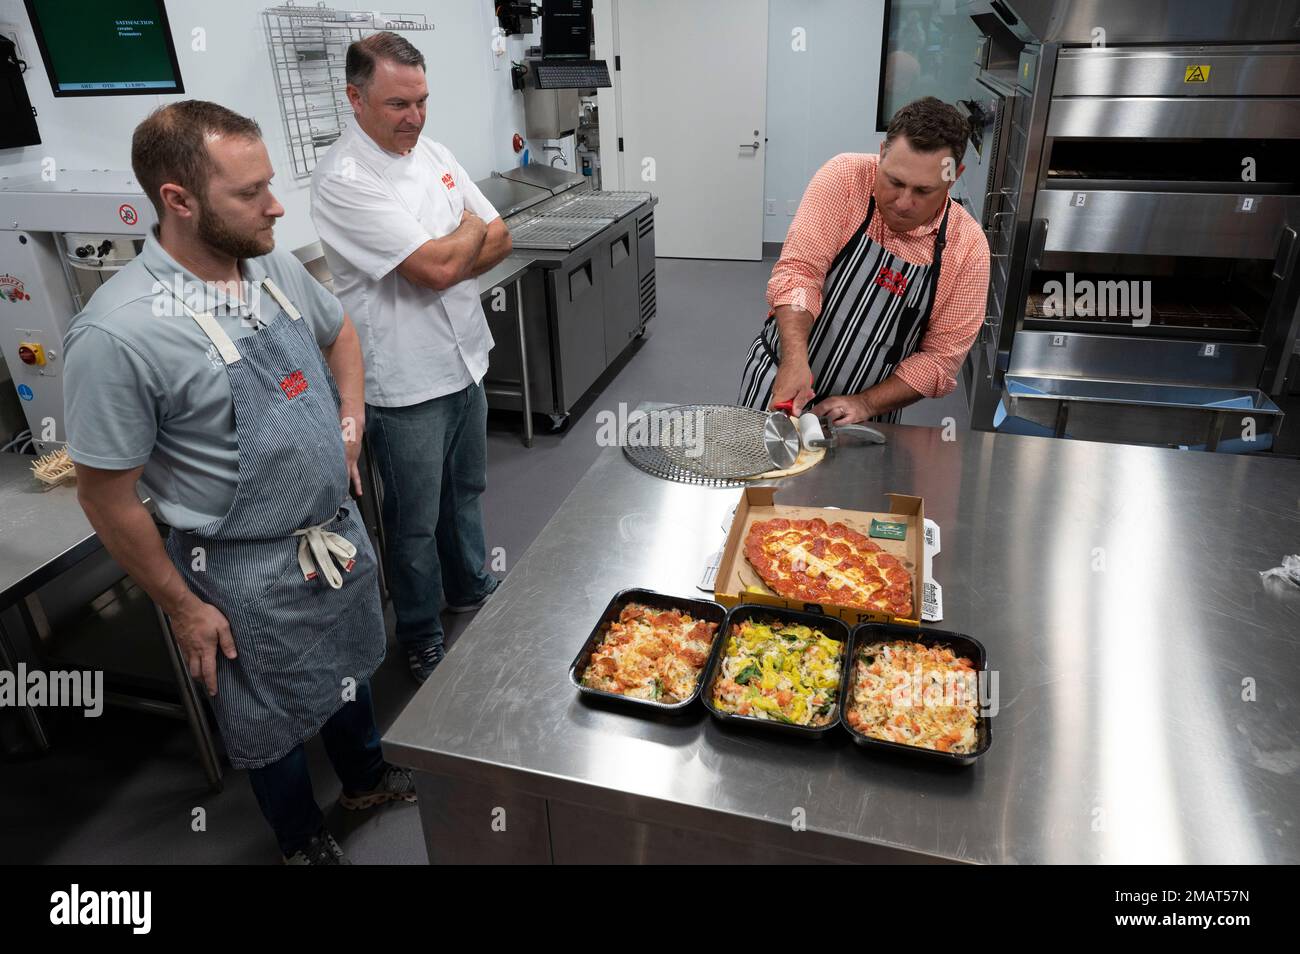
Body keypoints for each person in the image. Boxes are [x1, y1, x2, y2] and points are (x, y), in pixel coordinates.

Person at [63, 101, 412, 865]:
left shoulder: (273, 266)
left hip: (331, 532)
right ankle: (300, 837)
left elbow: (340, 331)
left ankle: (364, 780)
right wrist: (184, 610)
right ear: (177, 200)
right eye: (248, 193)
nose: (275, 206)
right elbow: (106, 497)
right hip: (239, 568)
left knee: (351, 665)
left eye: (270, 184)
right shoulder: (119, 334)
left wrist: (348, 427)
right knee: (268, 717)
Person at [310, 32, 512, 683]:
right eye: (399, 104)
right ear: (355, 97)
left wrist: (458, 242)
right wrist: (461, 235)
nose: (415, 118)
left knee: (467, 495)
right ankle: (422, 630)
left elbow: (499, 236)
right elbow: (433, 269)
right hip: (404, 383)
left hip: (464, 360)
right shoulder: (344, 180)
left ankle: (472, 588)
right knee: (415, 522)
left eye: (421, 101)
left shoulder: (435, 153)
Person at [738, 96, 990, 424]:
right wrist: (795, 359)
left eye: (923, 191)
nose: (903, 202)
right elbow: (800, 274)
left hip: (865, 415)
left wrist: (867, 404)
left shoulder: (969, 250)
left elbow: (939, 360)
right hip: (778, 382)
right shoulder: (844, 178)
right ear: (883, 153)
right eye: (895, 182)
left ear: (954, 175)